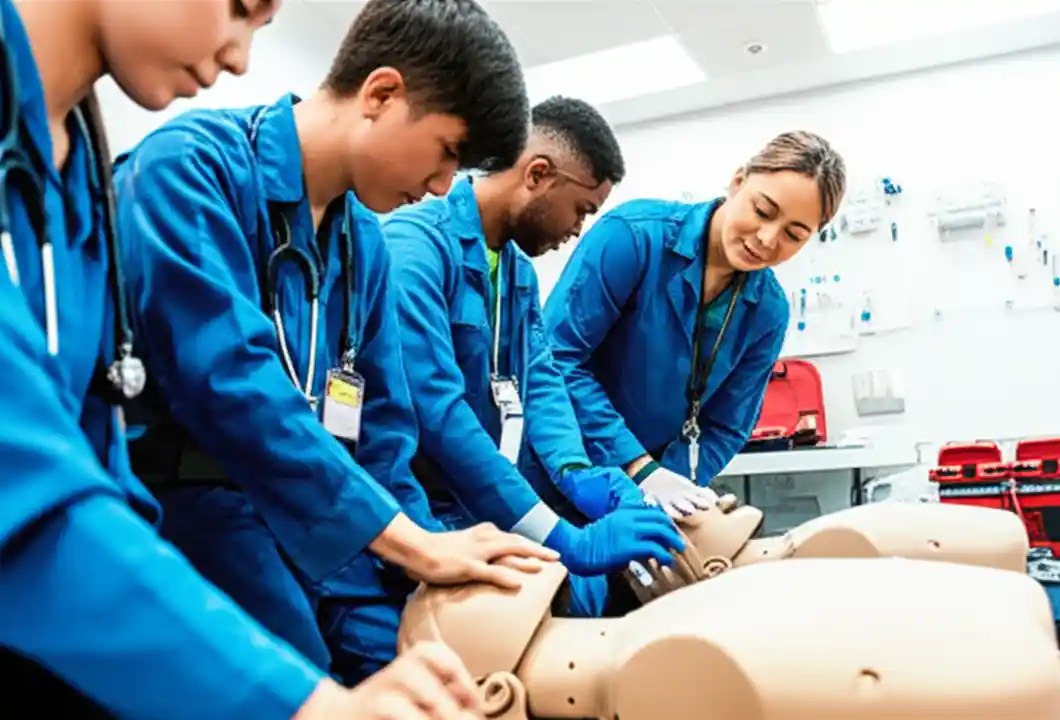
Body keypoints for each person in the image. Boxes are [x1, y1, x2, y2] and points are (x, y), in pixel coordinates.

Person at [0, 0, 488, 718]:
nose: (239, 58)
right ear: (381, 94)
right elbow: (38, 486)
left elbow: (97, 473)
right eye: (240, 7)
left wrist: (423, 577)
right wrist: (310, 700)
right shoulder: (183, 169)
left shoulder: (75, 170)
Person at [113, 0, 555, 689]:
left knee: (428, 662)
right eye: (447, 154)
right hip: (197, 503)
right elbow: (233, 387)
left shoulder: (363, 245)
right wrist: (412, 543)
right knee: (306, 672)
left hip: (324, 519)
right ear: (381, 93)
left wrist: (424, 553)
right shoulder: (189, 169)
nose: (443, 187)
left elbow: (382, 437)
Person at [383, 96, 684, 619]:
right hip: (414, 512)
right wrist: (563, 537)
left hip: (481, 499)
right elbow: (440, 413)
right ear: (538, 174)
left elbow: (541, 380)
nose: (577, 232)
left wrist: (574, 470)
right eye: (581, 209)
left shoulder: (517, 272)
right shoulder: (415, 248)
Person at [542, 131, 846, 520]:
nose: (767, 239)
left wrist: (674, 487)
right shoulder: (634, 238)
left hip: (650, 487)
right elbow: (558, 360)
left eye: (794, 234)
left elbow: (726, 425)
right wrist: (639, 469)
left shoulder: (767, 311)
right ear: (738, 181)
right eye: (763, 211)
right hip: (562, 465)